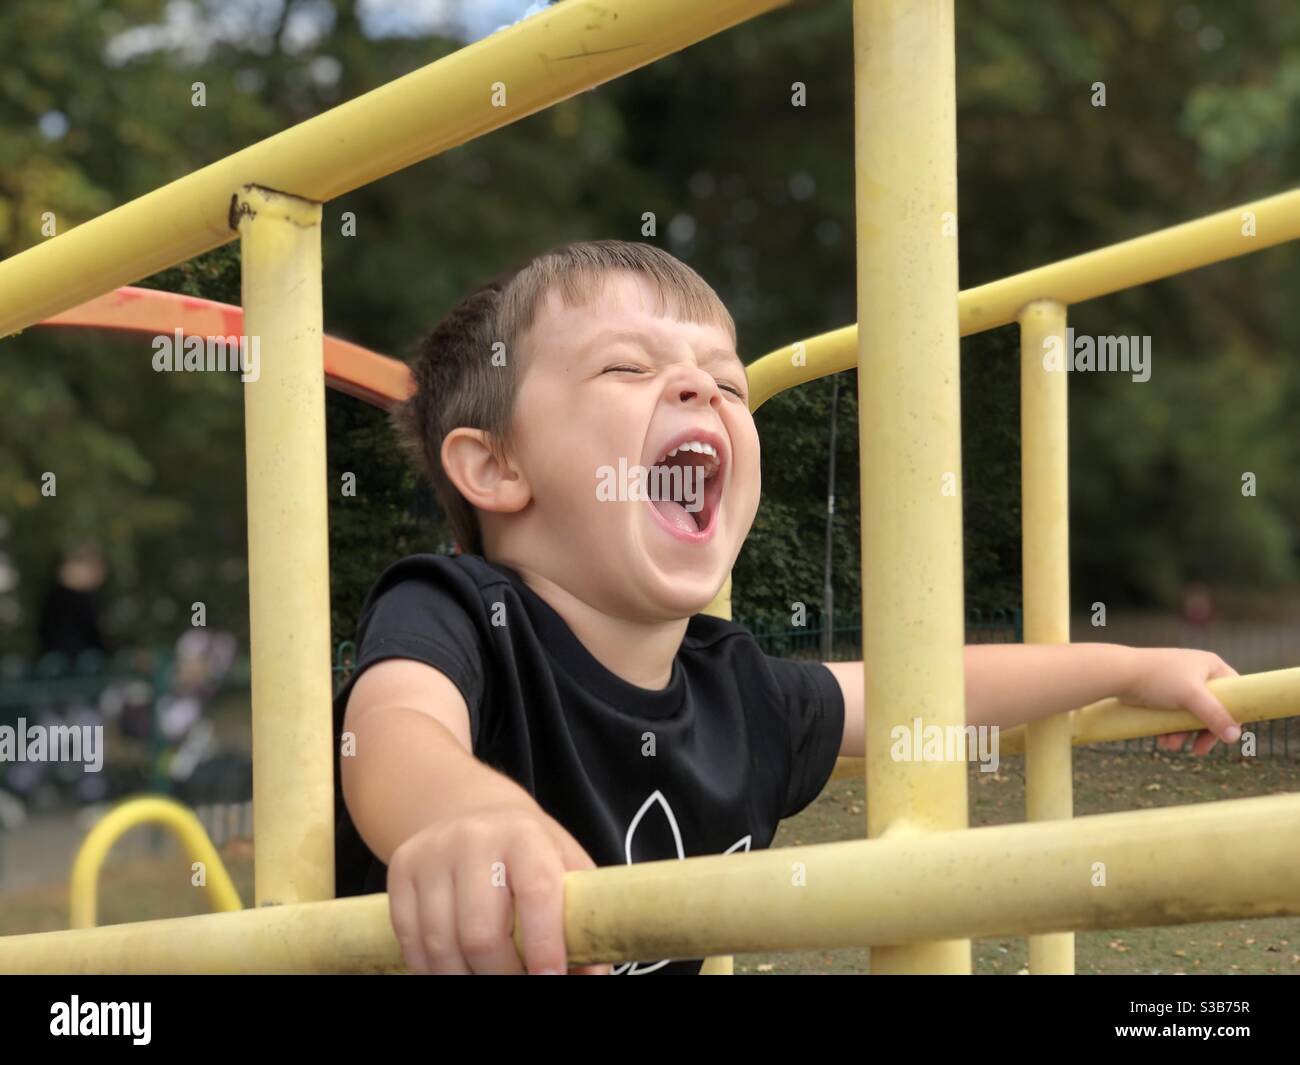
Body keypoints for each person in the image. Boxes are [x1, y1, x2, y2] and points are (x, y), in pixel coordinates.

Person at [334, 240, 1241, 976]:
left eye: (728, 383)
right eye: (626, 365)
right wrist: (459, 815)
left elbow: (923, 692)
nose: (700, 388)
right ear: (496, 467)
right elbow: (391, 731)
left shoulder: (738, 694)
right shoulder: (461, 612)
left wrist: (1130, 668)